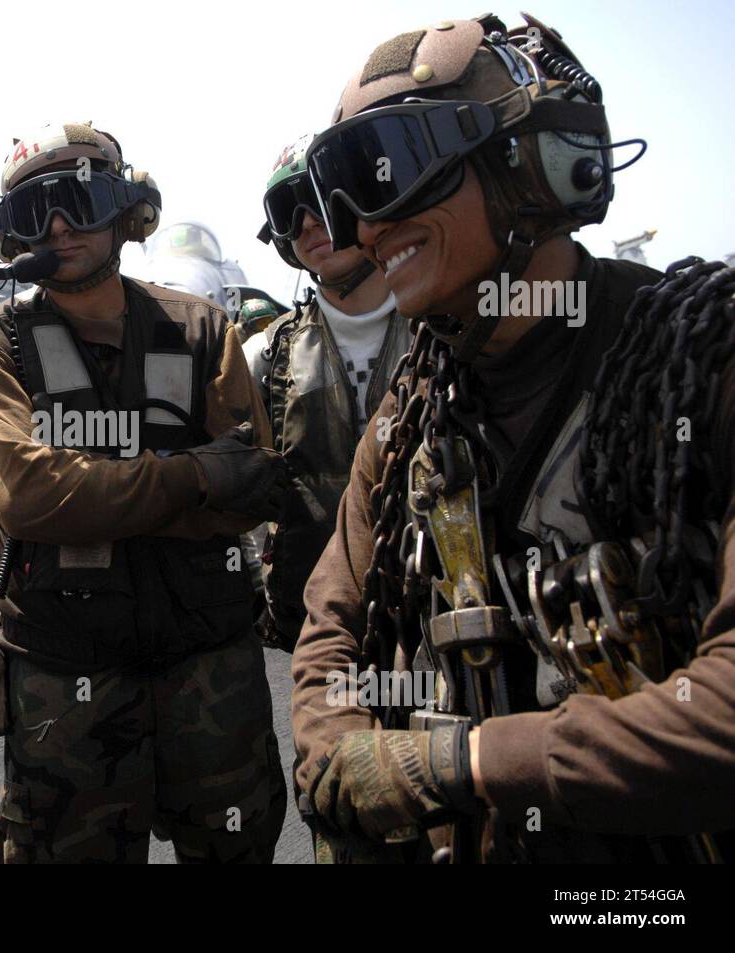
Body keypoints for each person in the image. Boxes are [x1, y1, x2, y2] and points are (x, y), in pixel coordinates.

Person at [291, 13, 735, 863]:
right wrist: (336, 742)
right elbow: (330, 627)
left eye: (390, 171)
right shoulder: (406, 423)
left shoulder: (707, 365)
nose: (361, 227)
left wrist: (466, 762)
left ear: (530, 164)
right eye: (341, 192)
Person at [0, 121, 289, 863]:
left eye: (77, 198)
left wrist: (105, 495)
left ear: (123, 208)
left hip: (208, 669)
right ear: (11, 236)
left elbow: (252, 484)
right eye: (33, 212)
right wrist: (191, 475)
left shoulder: (202, 329)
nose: (60, 226)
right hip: (64, 682)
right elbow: (31, 495)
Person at [245, 135, 406, 653]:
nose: (309, 223)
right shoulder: (266, 358)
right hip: (324, 634)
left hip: (437, 621)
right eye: (288, 211)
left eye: (321, 198)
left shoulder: (446, 330)